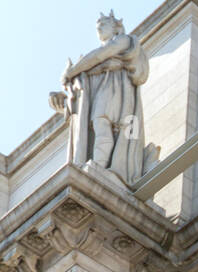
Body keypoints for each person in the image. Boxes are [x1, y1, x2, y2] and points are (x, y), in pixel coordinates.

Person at [50, 12, 156, 185]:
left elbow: (100, 55)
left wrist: (71, 72)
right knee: (100, 124)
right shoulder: (93, 65)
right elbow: (82, 93)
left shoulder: (124, 41)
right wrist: (64, 97)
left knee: (102, 122)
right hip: (106, 91)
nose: (99, 27)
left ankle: (100, 166)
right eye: (97, 25)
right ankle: (99, 164)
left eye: (104, 23)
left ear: (117, 27)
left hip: (115, 91)